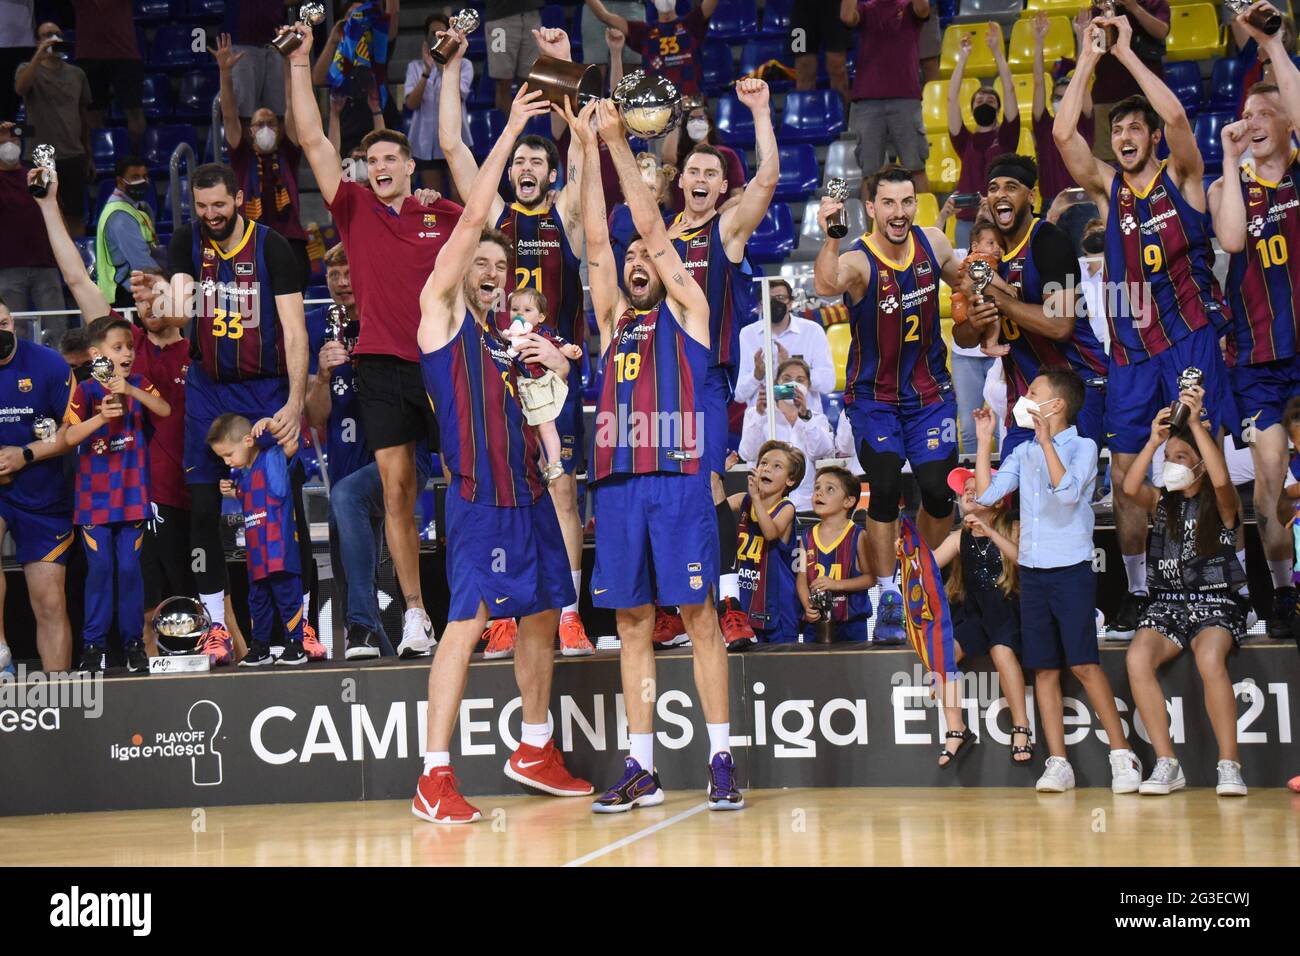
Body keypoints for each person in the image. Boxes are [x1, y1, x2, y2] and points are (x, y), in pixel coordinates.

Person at [413, 84, 592, 824]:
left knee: (546, 608)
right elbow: (474, 222)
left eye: (499, 266)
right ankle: (434, 774)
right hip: (480, 500)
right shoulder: (443, 317)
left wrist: (558, 364)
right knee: (469, 618)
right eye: (478, 260)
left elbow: (543, 408)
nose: (489, 269)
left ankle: (535, 744)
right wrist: (515, 124)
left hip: (530, 495)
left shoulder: (504, 339)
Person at [579, 96, 743, 812]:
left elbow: (649, 222)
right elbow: (594, 240)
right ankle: (641, 764)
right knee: (632, 624)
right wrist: (586, 149)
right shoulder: (614, 317)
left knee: (699, 614)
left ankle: (720, 757)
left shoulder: (690, 311)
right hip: (617, 484)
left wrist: (616, 142)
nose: (639, 260)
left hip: (677, 480)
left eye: (652, 255)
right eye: (633, 258)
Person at [1055, 16, 1234, 643]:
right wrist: (1086, 55)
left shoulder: (1182, 176)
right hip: (1131, 356)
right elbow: (1062, 134)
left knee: (1203, 462)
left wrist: (1127, 54)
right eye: (1118, 129)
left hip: (1190, 342)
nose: (1125, 136)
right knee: (1128, 478)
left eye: (1135, 128)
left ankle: (1223, 583)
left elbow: (1181, 123)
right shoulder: (1109, 191)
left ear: (1152, 137)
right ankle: (1137, 592)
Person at [289, 19, 457, 660]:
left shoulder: (440, 212)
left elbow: (478, 208)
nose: (380, 166)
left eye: (392, 159)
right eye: (371, 161)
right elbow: (309, 136)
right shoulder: (353, 206)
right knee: (394, 489)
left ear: (411, 166)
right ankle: (415, 614)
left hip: (443, 362)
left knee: (467, 480)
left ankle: (483, 604)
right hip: (382, 364)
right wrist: (301, 62)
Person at [437, 25, 594, 657]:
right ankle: (503, 607)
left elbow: (582, 146)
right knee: (500, 487)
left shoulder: (568, 216)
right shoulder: (491, 218)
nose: (526, 167)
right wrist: (451, 66)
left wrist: (558, 65)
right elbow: (451, 142)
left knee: (559, 487)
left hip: (552, 370)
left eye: (538, 162)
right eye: (519, 161)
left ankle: (566, 614)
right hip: (490, 367)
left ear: (551, 177)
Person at [139, 162, 311, 665]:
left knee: (284, 509)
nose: (211, 214)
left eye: (219, 204)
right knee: (203, 508)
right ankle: (214, 627)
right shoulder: (185, 243)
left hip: (264, 389)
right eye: (202, 206)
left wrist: (294, 405)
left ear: (238, 199)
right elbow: (176, 312)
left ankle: (301, 631)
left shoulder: (272, 247)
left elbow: (296, 333)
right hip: (208, 389)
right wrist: (154, 299)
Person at [972, 371, 1143, 793]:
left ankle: (1122, 756)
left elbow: (1066, 494)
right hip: (1032, 572)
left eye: (1033, 393)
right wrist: (983, 440)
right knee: (1044, 670)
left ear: (1057, 406)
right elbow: (987, 497)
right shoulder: (1023, 450)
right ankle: (1058, 762)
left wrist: (1047, 443)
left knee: (1084, 664)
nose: (1024, 399)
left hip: (1071, 569)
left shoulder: (1083, 447)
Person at [813, 165, 963, 645]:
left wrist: (981, 286)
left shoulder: (934, 242)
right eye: (889, 204)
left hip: (929, 394)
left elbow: (964, 280)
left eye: (906, 202)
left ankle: (917, 577)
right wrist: (831, 234)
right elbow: (824, 284)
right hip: (875, 397)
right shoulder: (859, 260)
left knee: (939, 491)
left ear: (914, 204)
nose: (899, 213)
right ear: (871, 209)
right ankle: (887, 594)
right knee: (881, 485)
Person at [663, 77, 779, 651]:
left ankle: (729, 603)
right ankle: (670, 607)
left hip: (704, 378)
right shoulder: (656, 237)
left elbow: (768, 180)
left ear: (721, 186)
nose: (702, 180)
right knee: (662, 490)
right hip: (657, 384)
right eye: (694, 172)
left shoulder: (727, 231)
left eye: (712, 173)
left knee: (708, 485)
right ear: (679, 180)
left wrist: (759, 111)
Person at [1209, 17, 1300, 642]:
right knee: (1270, 473)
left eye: (1271, 109)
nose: (1259, 117)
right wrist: (1231, 156)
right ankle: (1285, 590)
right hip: (1258, 360)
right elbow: (1234, 239)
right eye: (1250, 110)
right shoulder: (1227, 184)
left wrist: (1271, 45)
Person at [1121, 390, 1250, 797]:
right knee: (1137, 657)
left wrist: (1194, 423)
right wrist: (1153, 442)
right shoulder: (1162, 503)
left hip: (1215, 602)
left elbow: (1223, 479)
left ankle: (1229, 766)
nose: (1171, 466)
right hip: (1167, 604)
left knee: (1210, 656)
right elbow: (1128, 487)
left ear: (1198, 464)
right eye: (1168, 460)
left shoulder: (1223, 504)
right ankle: (1167, 762)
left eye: (1180, 459)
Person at [957, 155, 1109, 461]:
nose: (1000, 193)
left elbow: (1060, 326)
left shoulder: (1049, 242)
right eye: (994, 187)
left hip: (1078, 386)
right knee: (1012, 495)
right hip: (1028, 396)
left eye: (1011, 187)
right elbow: (964, 339)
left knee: (1068, 491)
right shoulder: (986, 255)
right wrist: (972, 321)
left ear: (1030, 196)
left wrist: (999, 298)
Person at [63, 315, 170, 673]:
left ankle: (133, 645)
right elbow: (67, 437)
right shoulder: (85, 391)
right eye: (117, 347)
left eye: (129, 346)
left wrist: (130, 390)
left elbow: (165, 409)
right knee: (100, 571)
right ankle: (93, 647)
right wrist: (98, 419)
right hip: (94, 504)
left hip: (132, 499)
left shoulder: (138, 384)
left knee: (129, 571)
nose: (126, 353)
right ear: (96, 354)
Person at [934, 466, 1032, 764]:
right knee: (943, 655)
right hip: (975, 614)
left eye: (978, 488)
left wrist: (988, 531)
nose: (968, 492)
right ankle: (956, 728)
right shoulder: (958, 535)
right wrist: (908, 554)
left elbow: (1024, 560)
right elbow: (929, 565)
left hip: (1008, 609)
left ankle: (1021, 727)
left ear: (1000, 499)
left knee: (1002, 652)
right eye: (965, 490)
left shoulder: (1013, 527)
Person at [0, 292, 74, 671]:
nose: (1, 332)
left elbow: (71, 430)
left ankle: (59, 696)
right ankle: (0, 657)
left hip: (43, 493)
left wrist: (24, 453)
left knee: (49, 602)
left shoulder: (48, 365)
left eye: (4, 324)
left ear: (13, 322)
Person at [209, 413, 311, 667]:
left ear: (247, 440)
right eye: (222, 457)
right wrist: (233, 492)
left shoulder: (274, 457)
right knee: (258, 603)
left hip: (281, 551)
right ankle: (260, 648)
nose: (226, 461)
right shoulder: (243, 476)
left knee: (288, 597)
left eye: (228, 454)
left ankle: (295, 645)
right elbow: (253, 494)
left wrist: (272, 423)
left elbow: (292, 443)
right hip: (256, 557)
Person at [213, 32, 310, 289]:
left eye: (271, 122)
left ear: (278, 129)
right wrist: (225, 72)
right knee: (256, 309)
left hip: (290, 239)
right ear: (251, 130)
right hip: (252, 240)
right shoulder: (242, 155)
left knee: (294, 307)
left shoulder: (289, 150)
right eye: (260, 123)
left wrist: (289, 65)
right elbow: (230, 114)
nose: (266, 127)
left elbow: (291, 104)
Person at [842, 0, 932, 196]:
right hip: (868, 100)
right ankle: (871, 227)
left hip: (905, 97)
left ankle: (927, 224)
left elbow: (924, 8)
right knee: (870, 175)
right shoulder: (866, 8)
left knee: (915, 168)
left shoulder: (909, 6)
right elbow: (847, 17)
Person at [14, 22, 91, 238]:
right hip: (38, 159)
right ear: (38, 41)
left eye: (57, 34)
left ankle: (79, 261)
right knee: (39, 213)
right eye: (47, 35)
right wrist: (39, 56)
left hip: (73, 155)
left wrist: (89, 154)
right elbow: (20, 88)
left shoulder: (77, 74)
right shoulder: (26, 70)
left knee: (75, 214)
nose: (53, 38)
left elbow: (83, 116)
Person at [948, 25, 1020, 249]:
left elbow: (1009, 90)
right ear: (972, 109)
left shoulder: (1007, 136)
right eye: (979, 101)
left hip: (1001, 217)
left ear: (999, 109)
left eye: (990, 101)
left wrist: (997, 51)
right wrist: (962, 59)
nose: (984, 103)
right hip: (966, 221)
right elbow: (951, 99)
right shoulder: (964, 140)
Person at [726, 441, 802, 644]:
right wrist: (718, 475)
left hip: (779, 609)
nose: (767, 468)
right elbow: (711, 507)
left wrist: (757, 499)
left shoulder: (786, 508)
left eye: (777, 466)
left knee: (782, 672)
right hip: (746, 604)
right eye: (764, 463)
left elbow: (770, 532)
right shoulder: (744, 500)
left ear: (790, 480)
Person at [737, 358, 833, 512]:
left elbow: (821, 452)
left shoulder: (816, 418)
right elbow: (748, 453)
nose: (793, 385)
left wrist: (805, 417)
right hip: (766, 505)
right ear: (777, 384)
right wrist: (760, 415)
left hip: (806, 505)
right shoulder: (756, 414)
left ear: (808, 386)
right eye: (787, 379)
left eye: (800, 380)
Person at [797, 465, 874, 643]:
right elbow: (801, 578)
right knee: (816, 670)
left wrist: (836, 584)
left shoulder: (859, 535)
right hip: (814, 623)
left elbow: (871, 578)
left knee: (853, 671)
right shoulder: (806, 536)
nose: (819, 493)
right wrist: (807, 604)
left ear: (848, 501)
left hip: (851, 624)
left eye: (829, 489)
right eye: (817, 488)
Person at [1087, 0, 1169, 163]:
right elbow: (1098, 48)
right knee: (1106, 158)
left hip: (1145, 94)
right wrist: (1107, 15)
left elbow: (1162, 31)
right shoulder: (1100, 5)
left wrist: (1133, 6)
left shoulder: (1153, 2)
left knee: (1145, 155)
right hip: (1106, 94)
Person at [1031, 13, 1096, 214]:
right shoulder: (1043, 125)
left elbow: (1083, 78)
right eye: (1058, 97)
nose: (1062, 101)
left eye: (1067, 96)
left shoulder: (1085, 122)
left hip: (1083, 200)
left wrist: (1081, 36)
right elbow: (1038, 81)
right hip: (1051, 203)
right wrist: (1039, 40)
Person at [585, 0, 717, 98]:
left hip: (690, 105)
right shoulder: (643, 33)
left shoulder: (691, 24)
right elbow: (604, 16)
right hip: (658, 109)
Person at [403, 13, 473, 197]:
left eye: (441, 32)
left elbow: (459, 95)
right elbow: (410, 103)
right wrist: (426, 72)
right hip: (425, 144)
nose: (437, 36)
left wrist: (444, 65)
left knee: (461, 199)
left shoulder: (464, 65)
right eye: (432, 32)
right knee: (434, 201)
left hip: (459, 140)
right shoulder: (415, 67)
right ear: (426, 37)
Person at [734, 283, 834, 411]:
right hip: (762, 422)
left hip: (804, 421)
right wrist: (756, 375)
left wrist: (791, 368)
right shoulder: (747, 335)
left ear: (791, 303)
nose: (775, 303)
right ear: (760, 305)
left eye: (781, 298)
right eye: (768, 299)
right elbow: (738, 395)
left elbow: (827, 383)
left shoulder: (812, 331)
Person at [0, 121, 63, 322]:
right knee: (15, 327)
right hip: (7, 265)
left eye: (14, 139)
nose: (9, 144)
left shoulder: (35, 176)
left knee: (56, 325)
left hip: (44, 262)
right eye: (3, 141)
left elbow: (55, 211)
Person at [71, 0, 144, 150]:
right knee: (92, 114)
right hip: (88, 55)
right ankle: (98, 156)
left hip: (124, 53)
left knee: (134, 111)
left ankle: (136, 159)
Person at [93, 156, 157, 310]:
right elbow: (141, 261)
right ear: (120, 181)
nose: (142, 181)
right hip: (126, 293)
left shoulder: (135, 207)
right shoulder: (120, 215)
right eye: (135, 177)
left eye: (144, 177)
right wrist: (163, 285)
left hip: (134, 289)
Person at [667, 96, 746, 214]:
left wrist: (717, 217)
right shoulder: (681, 156)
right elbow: (667, 157)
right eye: (691, 119)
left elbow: (738, 196)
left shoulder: (726, 154)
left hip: (717, 222)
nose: (696, 122)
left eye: (700, 118)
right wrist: (676, 118)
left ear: (710, 126)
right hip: (682, 224)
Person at [792, 1, 852, 109]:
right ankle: (806, 118)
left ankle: (844, 117)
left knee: (838, 68)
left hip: (835, 7)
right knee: (803, 67)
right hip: (802, 9)